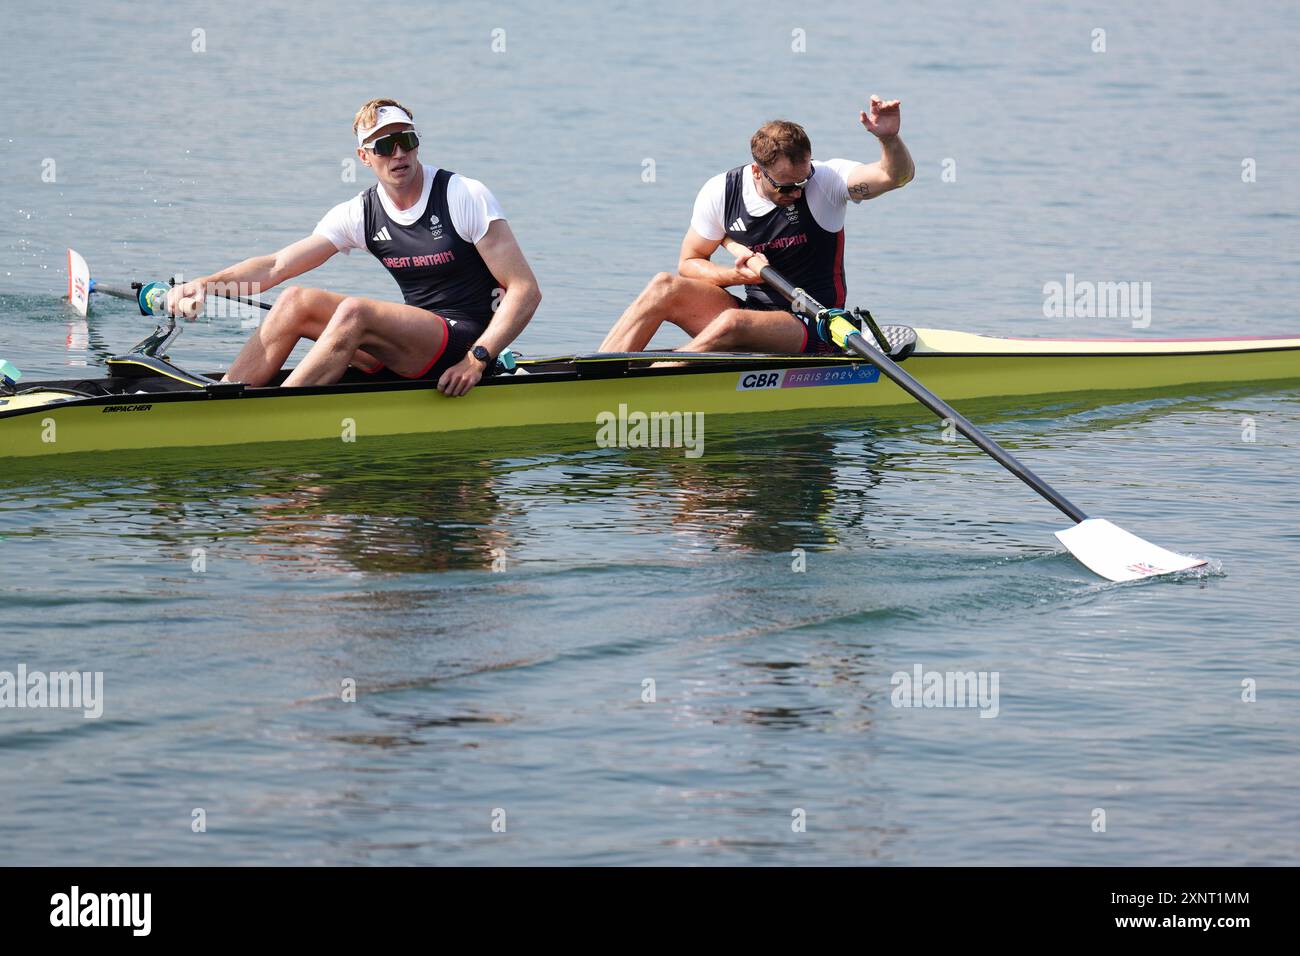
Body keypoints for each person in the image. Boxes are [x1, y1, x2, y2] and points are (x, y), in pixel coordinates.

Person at [165, 99, 541, 395]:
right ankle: (226, 397)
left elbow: (525, 290)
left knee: (355, 311)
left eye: (407, 141)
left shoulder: (462, 195)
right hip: (412, 346)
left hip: (467, 343)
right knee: (295, 300)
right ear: (363, 156)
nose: (399, 154)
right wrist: (205, 284)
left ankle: (273, 416)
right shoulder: (361, 212)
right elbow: (275, 266)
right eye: (384, 146)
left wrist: (478, 359)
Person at [599, 96, 912, 355]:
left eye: (803, 181)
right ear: (757, 172)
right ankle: (595, 371)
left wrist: (888, 139)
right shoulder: (722, 191)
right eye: (787, 186)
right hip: (753, 311)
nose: (798, 192)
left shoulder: (827, 181)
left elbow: (895, 177)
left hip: (816, 326)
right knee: (663, 286)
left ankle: (653, 379)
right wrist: (736, 275)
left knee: (732, 322)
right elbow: (690, 263)